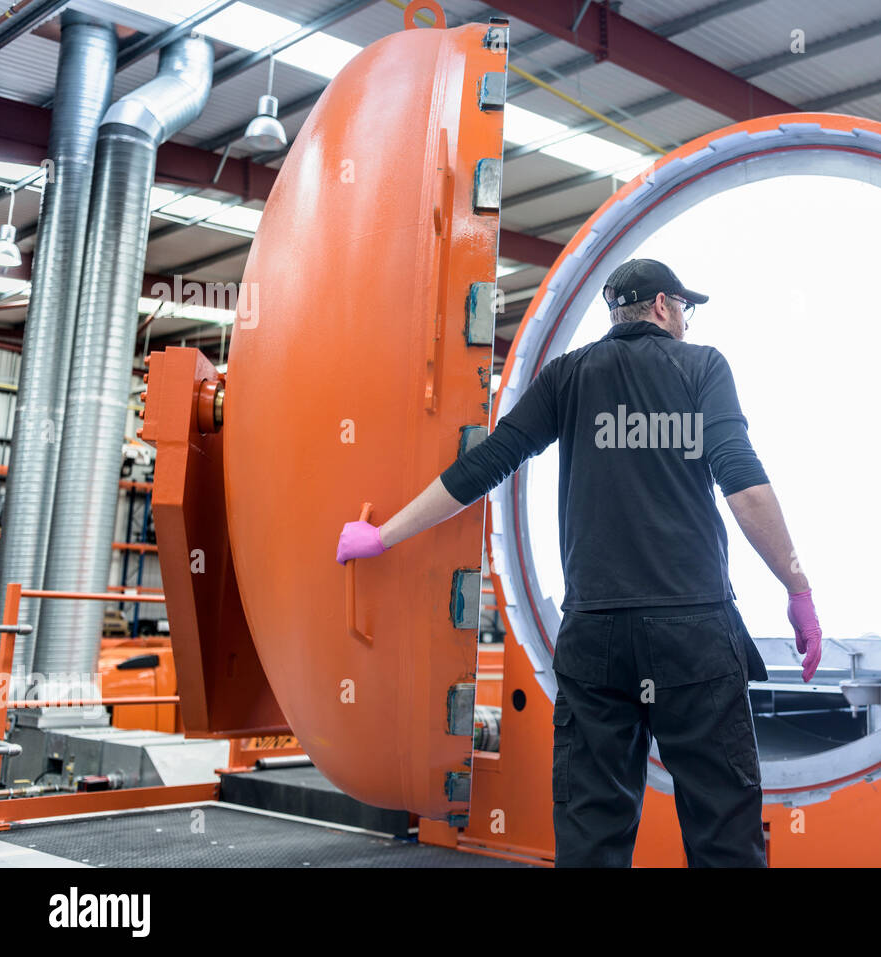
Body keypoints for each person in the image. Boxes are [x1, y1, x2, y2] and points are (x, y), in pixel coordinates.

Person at [336, 258, 823, 867]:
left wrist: (384, 535)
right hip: (692, 632)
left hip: (596, 637)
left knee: (591, 831)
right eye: (686, 312)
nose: (688, 324)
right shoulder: (702, 366)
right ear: (664, 307)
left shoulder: (568, 375)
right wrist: (797, 587)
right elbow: (744, 486)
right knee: (722, 825)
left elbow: (486, 464)